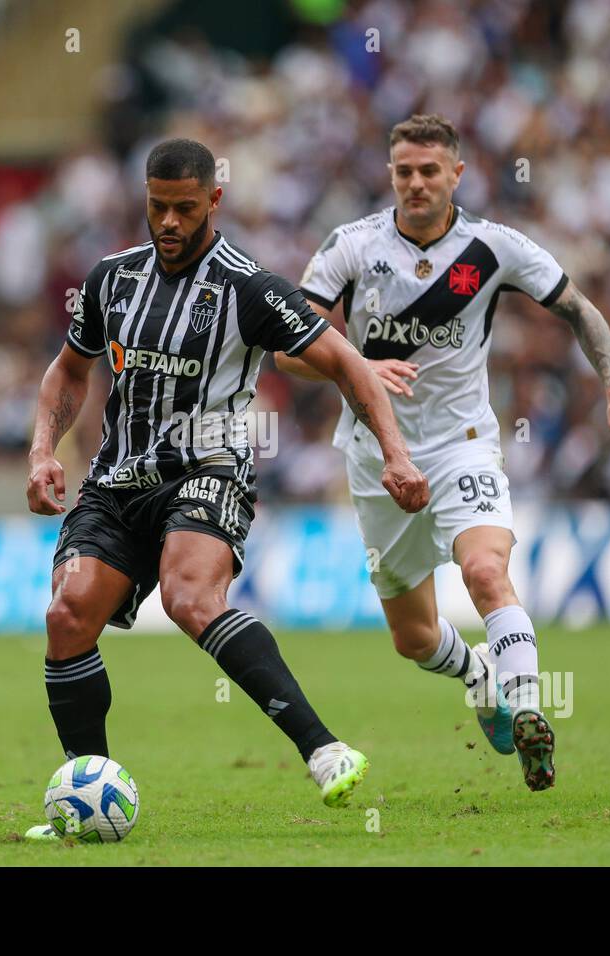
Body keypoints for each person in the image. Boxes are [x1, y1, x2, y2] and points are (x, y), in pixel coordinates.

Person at [23, 138, 429, 837]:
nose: (170, 223)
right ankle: (89, 797)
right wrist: (41, 452)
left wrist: (397, 455)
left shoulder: (250, 288)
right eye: (157, 208)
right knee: (66, 618)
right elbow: (68, 370)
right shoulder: (111, 278)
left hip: (207, 471)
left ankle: (324, 749)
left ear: (214, 200)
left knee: (190, 599)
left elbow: (349, 365)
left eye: (185, 208)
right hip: (119, 481)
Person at [275, 115, 610, 791]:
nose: (416, 183)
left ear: (457, 175)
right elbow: (290, 350)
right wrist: (361, 369)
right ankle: (480, 674)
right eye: (404, 171)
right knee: (414, 637)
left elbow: (579, 308)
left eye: (430, 171)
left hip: (464, 448)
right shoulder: (352, 245)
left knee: (487, 572)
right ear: (390, 174)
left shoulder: (494, 247)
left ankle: (527, 711)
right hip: (377, 457)